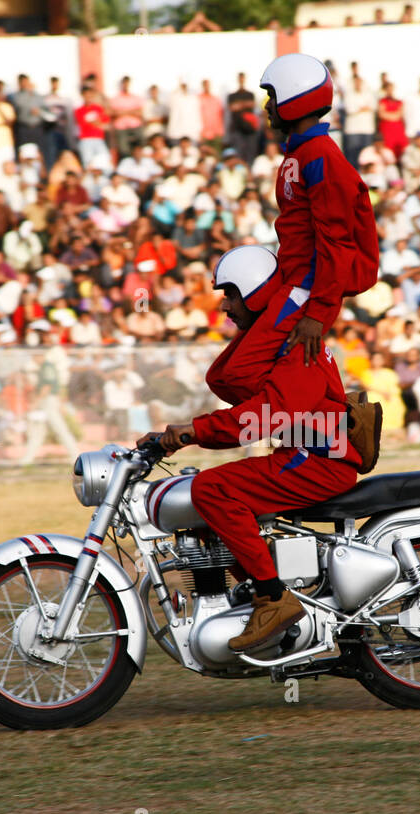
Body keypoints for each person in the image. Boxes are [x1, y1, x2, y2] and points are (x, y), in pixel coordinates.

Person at [137, 246, 364, 654]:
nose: (224, 305)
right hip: (305, 454)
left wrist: (194, 432)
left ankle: (274, 599)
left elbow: (265, 418)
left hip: (320, 460)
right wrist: (180, 434)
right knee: (203, 498)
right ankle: (259, 587)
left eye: (231, 294)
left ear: (258, 294)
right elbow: (232, 386)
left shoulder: (299, 348)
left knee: (211, 490)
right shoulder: (280, 344)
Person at [218, 52, 380, 390]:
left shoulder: (322, 157)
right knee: (220, 376)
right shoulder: (301, 153)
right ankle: (320, 417)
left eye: (273, 96)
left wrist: (316, 315)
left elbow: (337, 243)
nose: (267, 106)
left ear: (295, 97)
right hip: (293, 283)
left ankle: (328, 421)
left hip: (307, 290)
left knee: (239, 375)